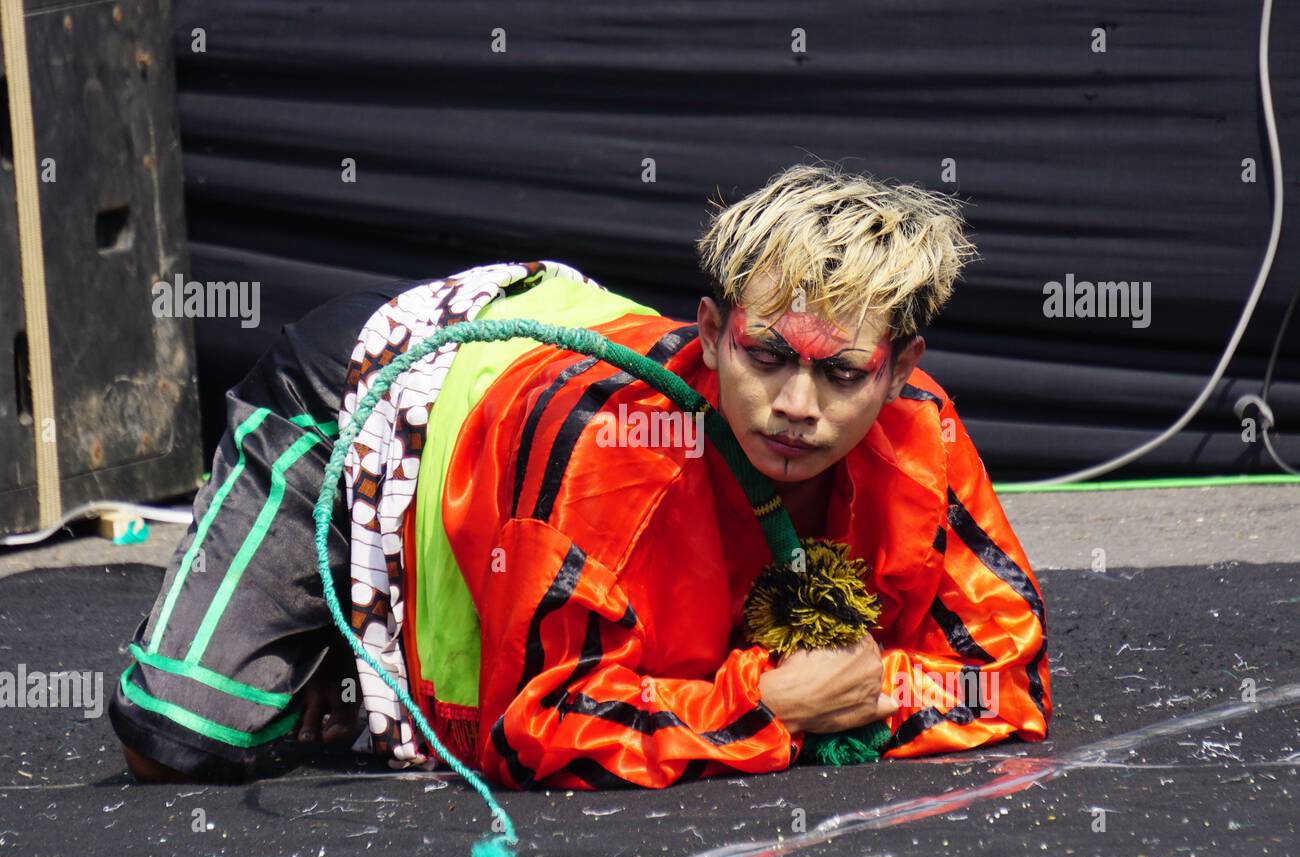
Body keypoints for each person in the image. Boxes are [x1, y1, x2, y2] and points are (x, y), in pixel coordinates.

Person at [113, 163, 1051, 788]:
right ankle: (332, 625)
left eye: (843, 374)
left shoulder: (918, 431)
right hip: (361, 398)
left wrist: (885, 683)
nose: (798, 406)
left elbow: (1007, 681)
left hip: (530, 413)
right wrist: (760, 706)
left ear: (898, 368)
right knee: (178, 740)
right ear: (714, 332)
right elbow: (545, 723)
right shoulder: (615, 451)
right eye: (764, 359)